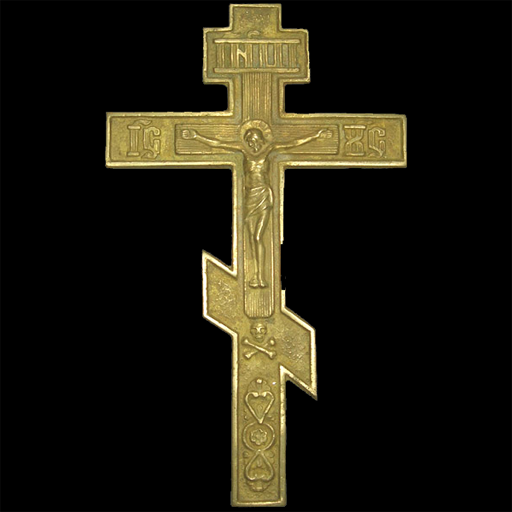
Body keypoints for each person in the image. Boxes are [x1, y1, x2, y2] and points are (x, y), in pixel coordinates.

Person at [182, 120, 331, 288]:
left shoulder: (269, 150)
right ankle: (256, 275)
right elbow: (218, 143)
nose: (252, 144)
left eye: (254, 140)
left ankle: (260, 276)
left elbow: (292, 143)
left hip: (263, 196)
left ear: (260, 139)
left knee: (258, 236)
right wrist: (197, 137)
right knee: (251, 237)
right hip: (249, 198)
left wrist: (315, 136)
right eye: (249, 141)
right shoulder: (243, 151)